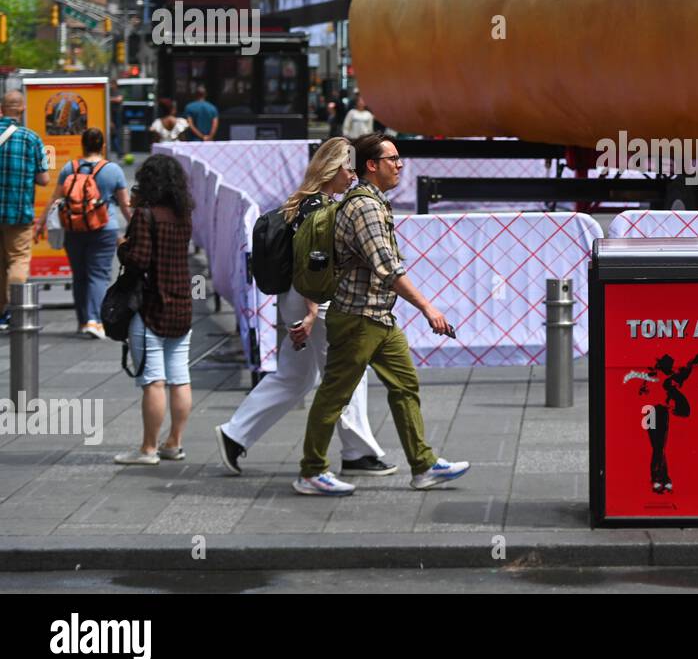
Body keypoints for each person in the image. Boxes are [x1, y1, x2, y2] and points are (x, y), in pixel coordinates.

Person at [295, 134, 468, 495]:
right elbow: (387, 268)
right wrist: (427, 307)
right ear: (371, 165)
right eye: (393, 159)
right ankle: (311, 471)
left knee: (404, 384)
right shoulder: (365, 208)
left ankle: (423, 466)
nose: (400, 165)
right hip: (358, 318)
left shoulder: (374, 202)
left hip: (378, 317)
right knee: (333, 396)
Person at [215, 138, 393, 477]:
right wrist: (312, 313)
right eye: (349, 168)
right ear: (334, 169)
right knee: (347, 372)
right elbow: (311, 263)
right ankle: (357, 452)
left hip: (299, 298)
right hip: (316, 300)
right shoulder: (321, 209)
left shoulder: (302, 204)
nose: (353, 175)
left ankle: (234, 434)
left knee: (294, 377)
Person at [113, 155, 196, 465]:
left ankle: (148, 448)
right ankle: (174, 442)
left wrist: (123, 245)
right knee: (180, 377)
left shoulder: (145, 215)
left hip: (151, 306)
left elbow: (138, 260)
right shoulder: (183, 213)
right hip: (182, 304)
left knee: (153, 380)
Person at [35, 129, 131, 338]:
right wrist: (135, 226)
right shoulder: (113, 169)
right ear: (102, 146)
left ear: (83, 145)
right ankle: (94, 321)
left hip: (74, 228)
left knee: (79, 276)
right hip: (104, 228)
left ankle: (82, 321)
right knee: (99, 275)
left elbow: (55, 199)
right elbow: (124, 204)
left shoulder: (70, 167)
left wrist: (41, 223)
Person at [632, 347, 698, 494]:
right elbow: (641, 393)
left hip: (659, 412)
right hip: (649, 412)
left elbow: (689, 366)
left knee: (658, 447)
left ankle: (660, 479)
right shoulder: (650, 376)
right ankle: (661, 479)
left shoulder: (668, 378)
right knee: (658, 447)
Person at [0, 90, 50, 333]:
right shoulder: (31, 138)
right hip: (19, 212)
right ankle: (14, 309)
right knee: (18, 260)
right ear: (21, 109)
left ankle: (0, 313)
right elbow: (43, 179)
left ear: (1, 108)